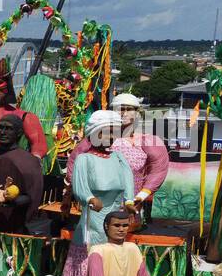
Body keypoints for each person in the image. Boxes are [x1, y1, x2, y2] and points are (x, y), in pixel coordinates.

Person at [60, 111, 135, 276]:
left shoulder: (119, 158)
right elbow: (79, 185)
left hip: (114, 217)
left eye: (114, 132)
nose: (111, 136)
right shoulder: (85, 158)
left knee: (111, 261)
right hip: (93, 219)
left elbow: (128, 181)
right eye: (107, 131)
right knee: (87, 263)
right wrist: (89, 198)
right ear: (95, 133)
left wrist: (129, 201)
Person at [66, 94, 168, 222]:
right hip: (97, 208)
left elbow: (159, 170)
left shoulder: (148, 141)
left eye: (129, 109)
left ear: (137, 113)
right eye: (119, 108)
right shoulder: (95, 139)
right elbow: (73, 167)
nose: (124, 113)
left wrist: (142, 195)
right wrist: (88, 197)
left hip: (130, 208)